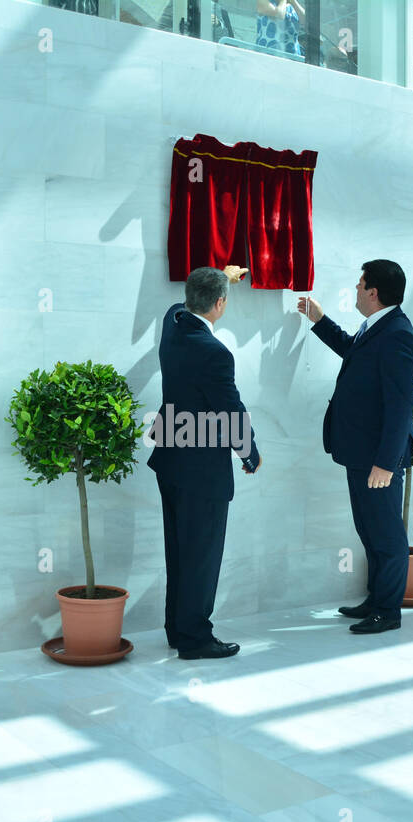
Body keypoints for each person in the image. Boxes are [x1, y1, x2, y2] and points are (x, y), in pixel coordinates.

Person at [298, 261, 413, 634]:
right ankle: (375, 598)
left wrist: (386, 462)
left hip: (377, 459)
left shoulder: (398, 334)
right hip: (360, 452)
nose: (355, 286)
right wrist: (320, 320)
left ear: (373, 292)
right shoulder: (377, 327)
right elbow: (353, 351)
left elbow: (400, 406)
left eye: (360, 282)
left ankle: (388, 611)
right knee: (368, 530)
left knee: (386, 535)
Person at [148, 267, 260, 660]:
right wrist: (250, 453)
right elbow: (230, 410)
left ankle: (178, 629)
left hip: (170, 460)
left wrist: (217, 277)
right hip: (201, 471)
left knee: (180, 551)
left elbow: (175, 307)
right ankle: (195, 638)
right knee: (201, 555)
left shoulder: (172, 328)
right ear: (220, 304)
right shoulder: (214, 351)